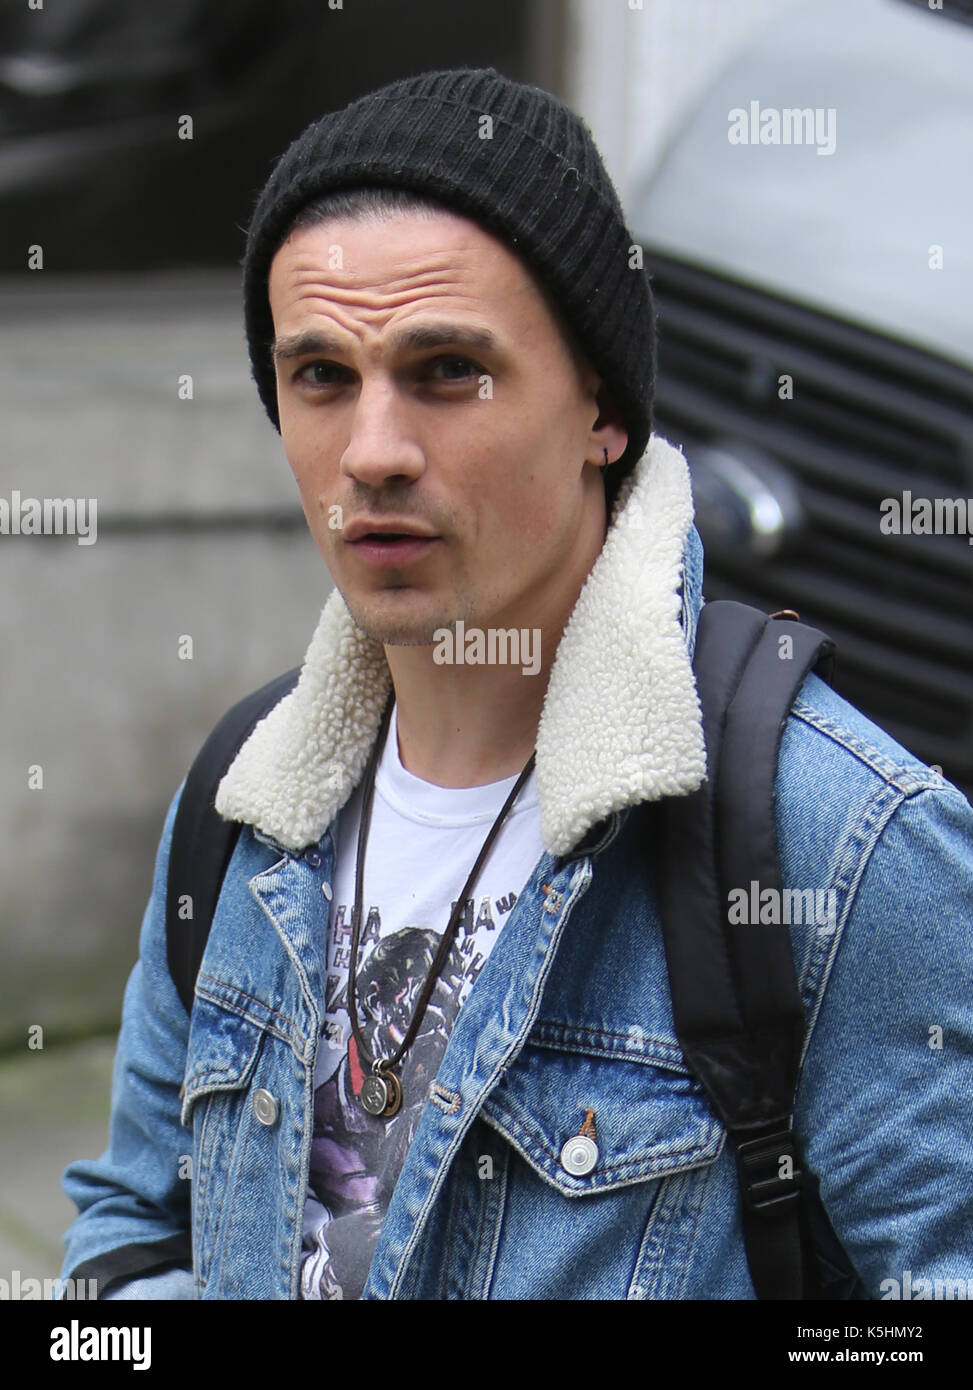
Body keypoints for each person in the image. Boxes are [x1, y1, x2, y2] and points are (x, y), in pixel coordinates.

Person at [60, 66, 973, 1301]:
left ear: (601, 406)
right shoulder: (243, 804)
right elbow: (133, 1223)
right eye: (321, 375)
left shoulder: (836, 842)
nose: (372, 452)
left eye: (447, 371)